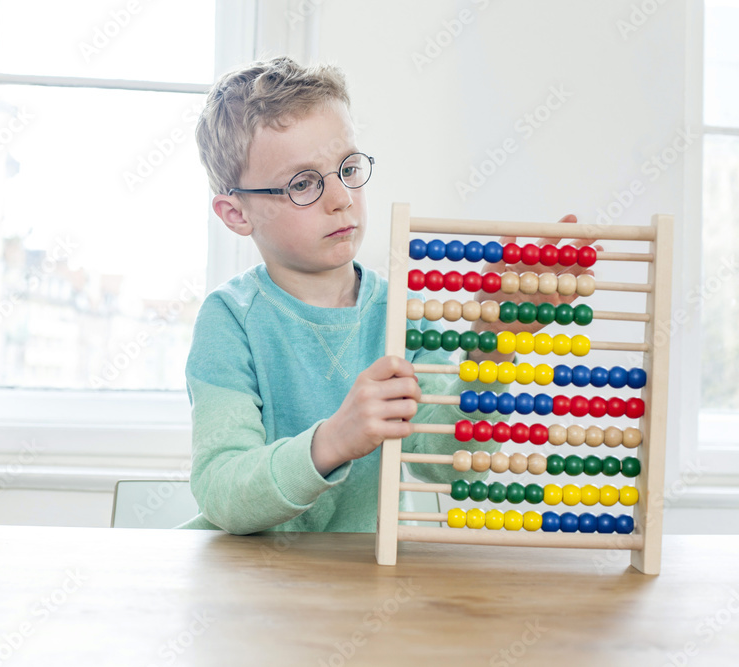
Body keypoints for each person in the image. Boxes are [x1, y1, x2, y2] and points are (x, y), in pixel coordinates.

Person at [178, 56, 596, 534]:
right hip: (247, 585)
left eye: (347, 168)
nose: (340, 198)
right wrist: (333, 440)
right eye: (303, 183)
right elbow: (222, 492)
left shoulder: (401, 313)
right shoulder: (229, 321)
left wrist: (493, 344)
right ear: (236, 214)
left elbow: (449, 463)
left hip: (359, 583)